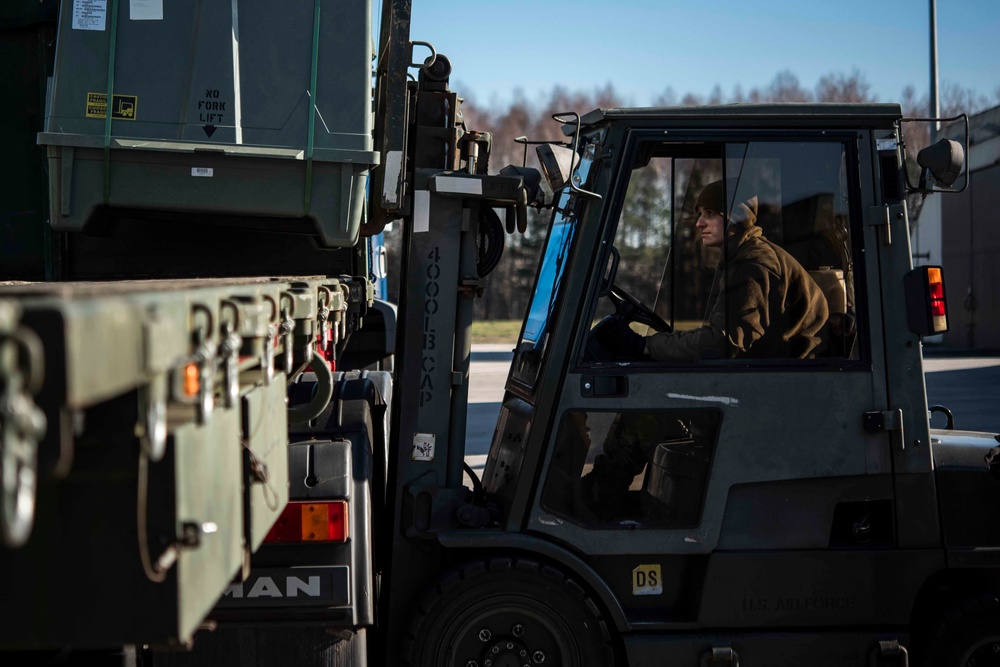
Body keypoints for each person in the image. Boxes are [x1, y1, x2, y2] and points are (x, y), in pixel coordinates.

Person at [597, 180, 829, 361]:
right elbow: (718, 335)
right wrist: (654, 344)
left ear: (735, 217)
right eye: (699, 214)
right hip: (777, 368)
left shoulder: (752, 265)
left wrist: (644, 346)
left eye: (710, 213)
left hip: (785, 379)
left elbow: (721, 344)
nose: (699, 223)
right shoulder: (744, 256)